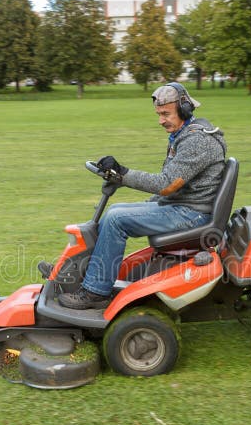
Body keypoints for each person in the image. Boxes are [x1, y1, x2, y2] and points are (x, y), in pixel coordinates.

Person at [58, 82, 227, 310]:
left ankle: (96, 292)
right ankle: (90, 277)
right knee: (116, 212)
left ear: (185, 110)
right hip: (185, 206)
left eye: (166, 114)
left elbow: (167, 185)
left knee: (116, 219)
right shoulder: (186, 135)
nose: (161, 120)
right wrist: (133, 190)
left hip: (193, 214)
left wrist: (124, 174)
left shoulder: (197, 141)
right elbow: (174, 187)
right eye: (159, 114)